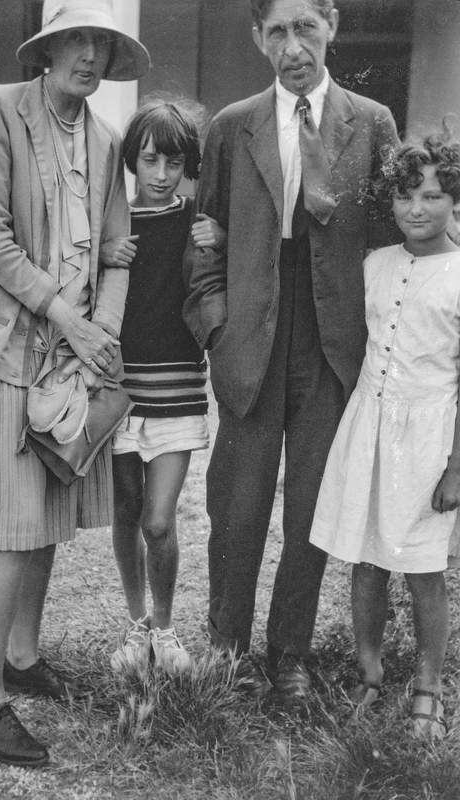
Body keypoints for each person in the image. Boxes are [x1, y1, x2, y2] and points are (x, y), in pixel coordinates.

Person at [0, 0, 150, 767]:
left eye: (100, 41)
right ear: (45, 49)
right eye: (74, 39)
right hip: (5, 347)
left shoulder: (104, 141)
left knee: (51, 512)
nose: (88, 54)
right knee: (9, 524)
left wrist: (105, 338)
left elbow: (119, 251)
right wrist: (69, 318)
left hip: (72, 354)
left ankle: (24, 657)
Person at [182, 0, 399, 701]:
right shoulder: (231, 126)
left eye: (307, 26)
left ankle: (290, 655)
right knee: (238, 507)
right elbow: (203, 237)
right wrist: (216, 325)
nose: (294, 45)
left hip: (332, 340)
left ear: (333, 25)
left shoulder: (370, 123)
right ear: (256, 38)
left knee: (312, 508)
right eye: (277, 30)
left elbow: (387, 239)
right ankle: (226, 646)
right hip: (251, 334)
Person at [310, 130, 460, 739]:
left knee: (424, 568)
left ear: (455, 202)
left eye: (431, 197)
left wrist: (456, 466)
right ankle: (368, 674)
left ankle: (428, 686)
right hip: (370, 426)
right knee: (367, 560)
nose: (416, 210)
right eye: (404, 197)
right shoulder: (375, 264)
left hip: (430, 437)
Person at [100, 99, 225, 674]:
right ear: (132, 159)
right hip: (121, 393)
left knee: (159, 519)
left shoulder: (199, 219)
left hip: (177, 393)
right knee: (127, 511)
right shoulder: (116, 222)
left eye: (172, 163)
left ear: (186, 166)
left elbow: (219, 276)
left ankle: (167, 628)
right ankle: (135, 625)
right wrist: (104, 255)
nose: (159, 175)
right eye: (148, 160)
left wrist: (218, 241)